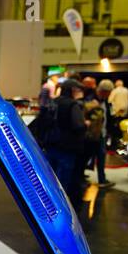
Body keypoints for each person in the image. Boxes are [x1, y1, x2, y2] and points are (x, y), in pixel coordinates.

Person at [45, 79, 89, 208]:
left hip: (51, 143)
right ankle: (61, 205)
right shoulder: (72, 105)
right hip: (67, 146)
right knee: (64, 178)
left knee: (50, 176)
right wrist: (86, 125)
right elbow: (78, 125)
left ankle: (49, 202)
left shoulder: (53, 102)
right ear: (72, 90)